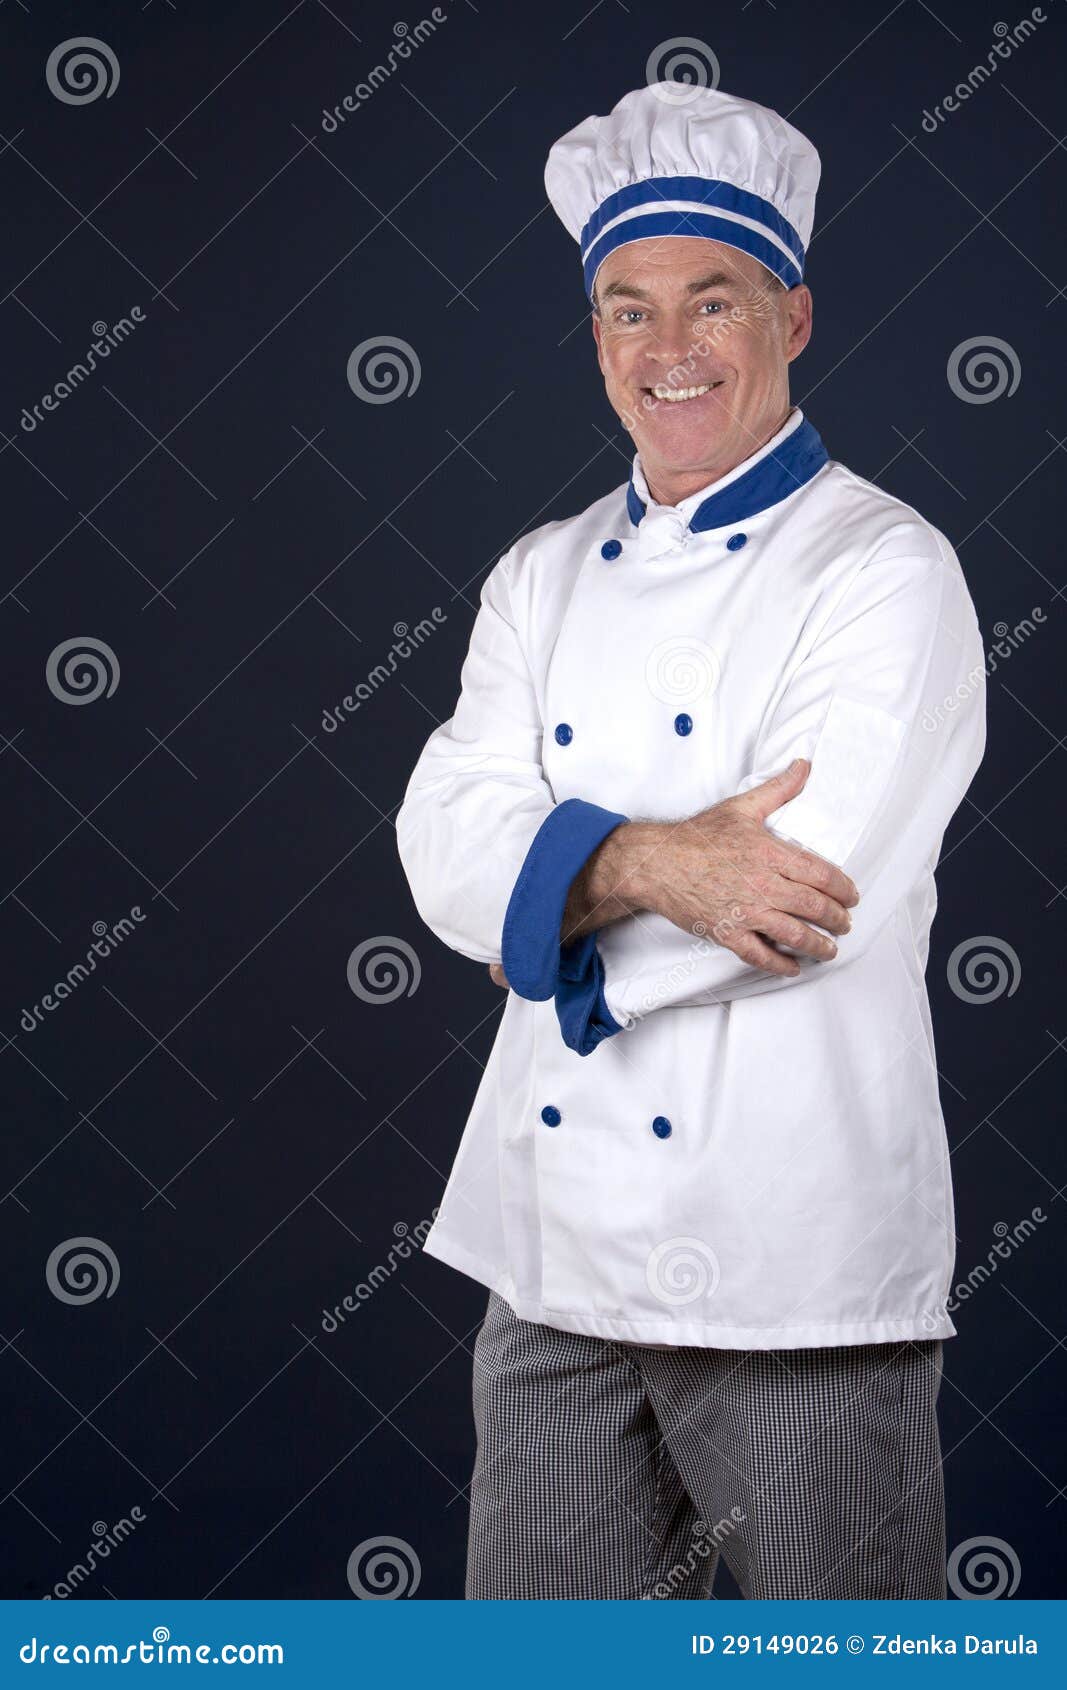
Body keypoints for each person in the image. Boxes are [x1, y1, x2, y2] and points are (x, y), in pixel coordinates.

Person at [395, 82, 986, 1601]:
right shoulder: (538, 575)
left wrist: (551, 897)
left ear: (793, 310)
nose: (667, 351)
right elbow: (442, 839)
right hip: (553, 1256)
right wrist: (659, 862)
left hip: (799, 1265)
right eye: (626, 309)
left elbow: (806, 892)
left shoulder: (888, 568)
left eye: (710, 302)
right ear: (593, 335)